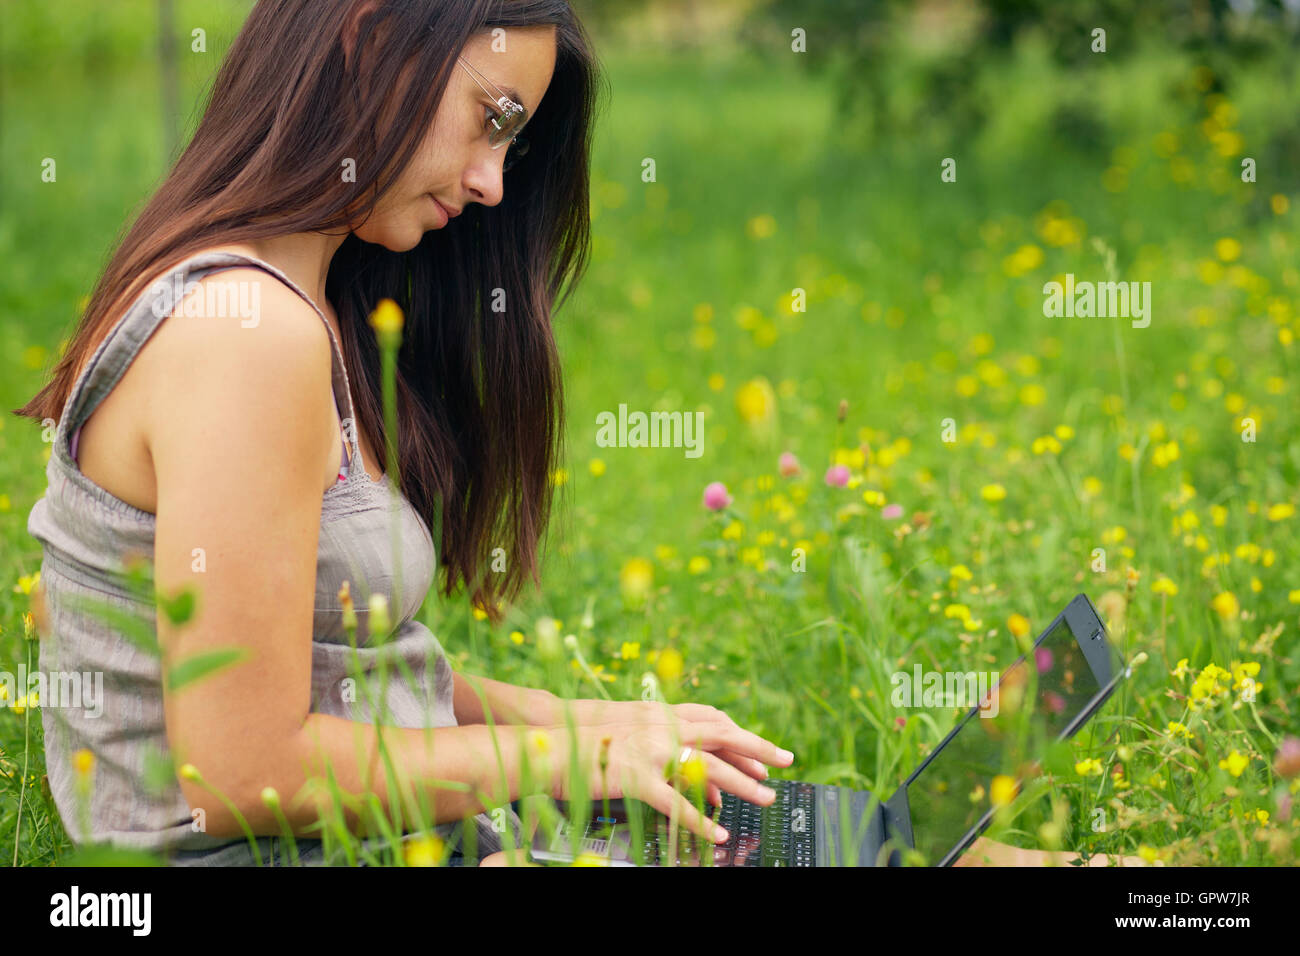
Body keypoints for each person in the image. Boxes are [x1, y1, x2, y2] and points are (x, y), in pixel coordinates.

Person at [18, 0, 792, 867]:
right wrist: (571, 757)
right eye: (493, 120)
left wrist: (601, 724)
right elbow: (241, 769)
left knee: (852, 843)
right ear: (371, 37)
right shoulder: (243, 333)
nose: (493, 181)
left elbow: (341, 677)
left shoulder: (302, 306)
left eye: (513, 143)